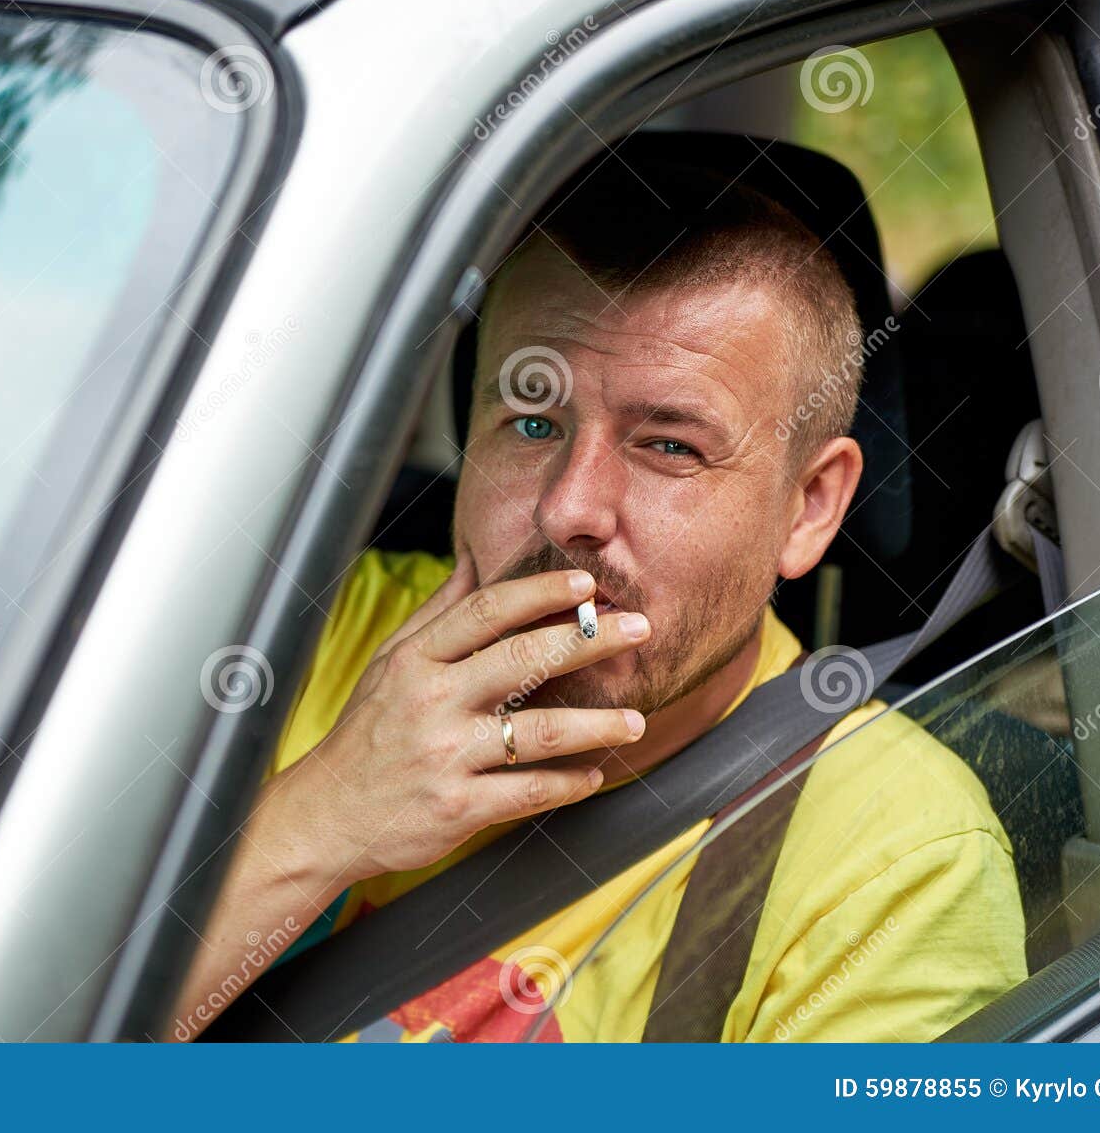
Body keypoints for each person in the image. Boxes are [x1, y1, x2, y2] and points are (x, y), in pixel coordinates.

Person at [171, 146, 1027, 1042]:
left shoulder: (897, 859)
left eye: (671, 446)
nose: (569, 508)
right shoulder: (291, 638)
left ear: (808, 507)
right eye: (531, 422)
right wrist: (322, 818)